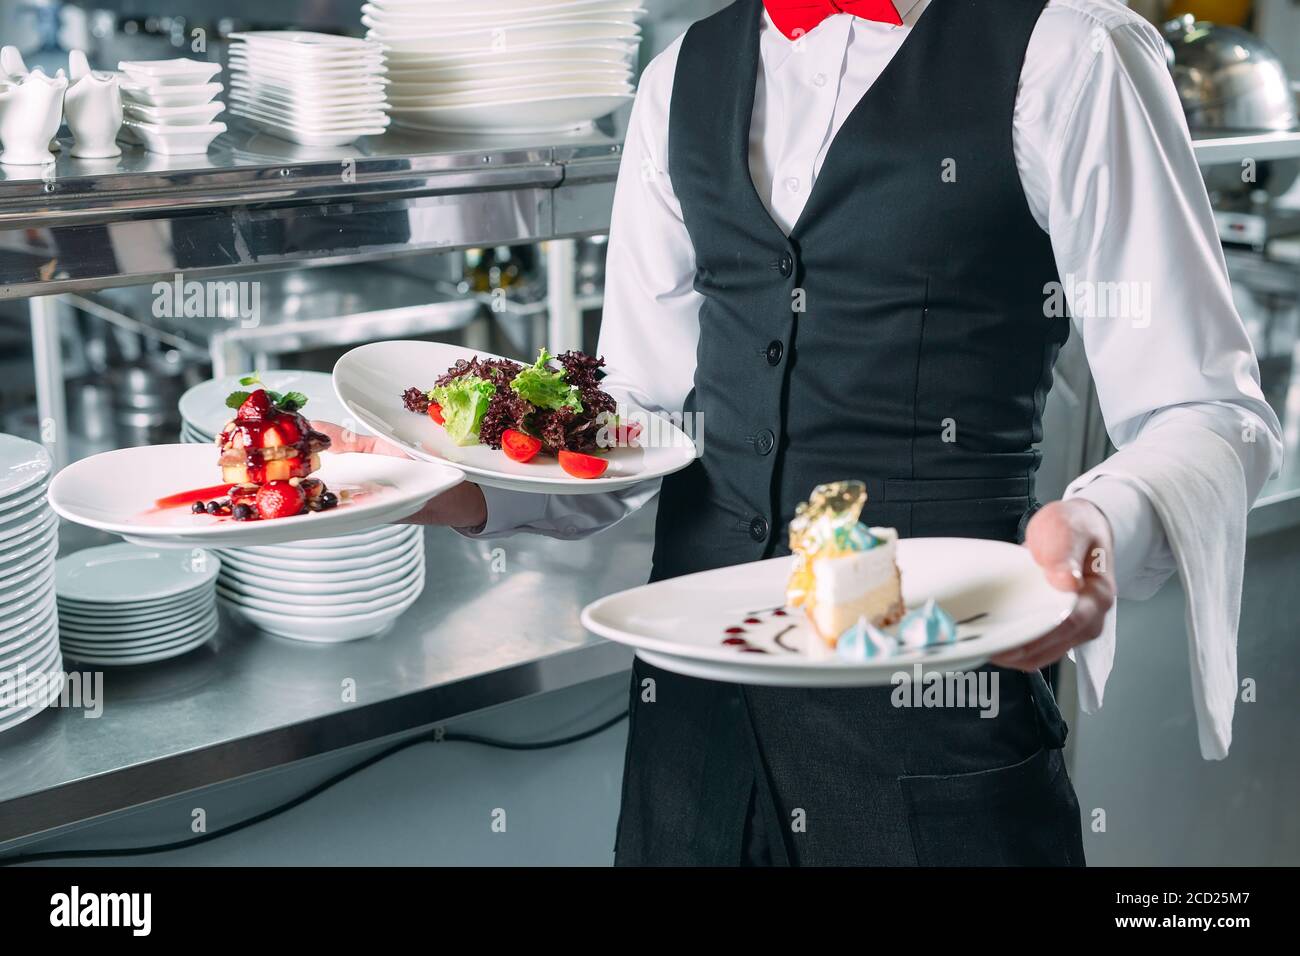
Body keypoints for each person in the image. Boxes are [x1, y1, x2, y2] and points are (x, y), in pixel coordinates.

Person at [319, 0, 1283, 865]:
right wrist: (459, 485)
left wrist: (1103, 524)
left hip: (930, 725)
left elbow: (1211, 411)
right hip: (691, 731)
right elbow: (640, 413)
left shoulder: (1071, 53)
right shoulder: (680, 73)